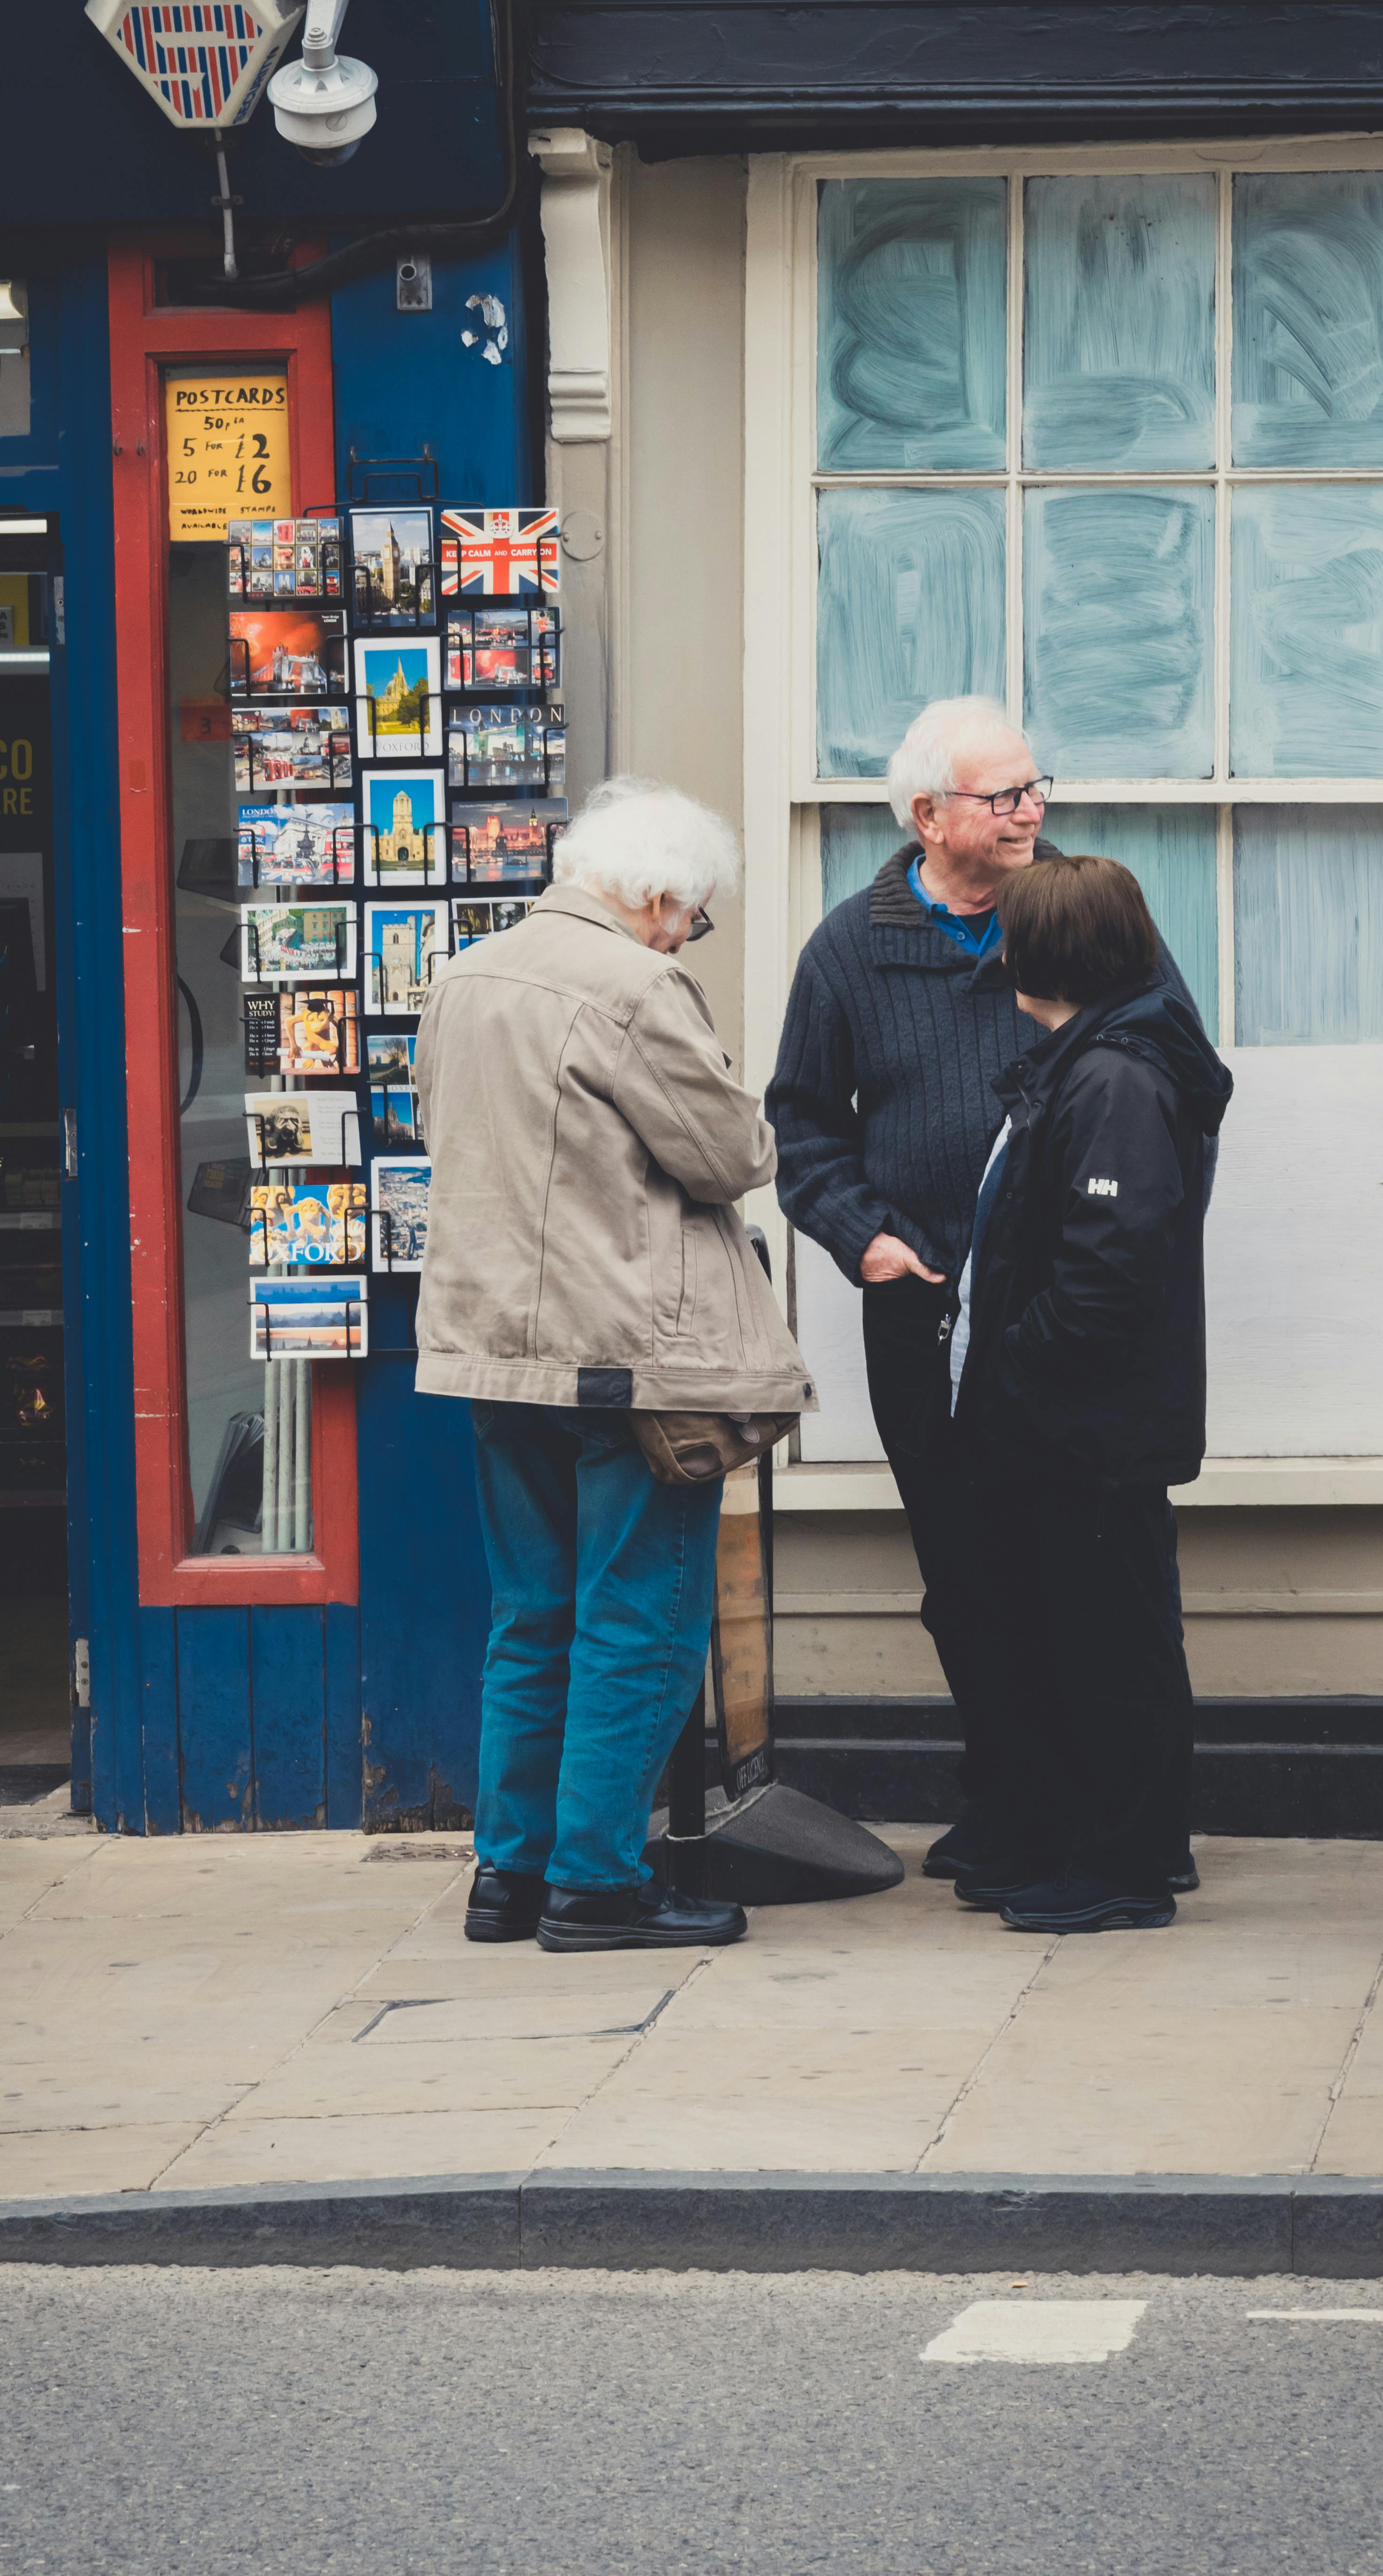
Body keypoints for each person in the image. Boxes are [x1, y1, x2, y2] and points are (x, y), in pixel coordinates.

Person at [415, 778, 815, 1954]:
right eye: (691, 918)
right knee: (638, 1617)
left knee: (530, 1615)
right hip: (623, 1355)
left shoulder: (463, 973)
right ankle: (598, 1881)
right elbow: (731, 1152)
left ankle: (510, 1875)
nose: (688, 937)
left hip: (490, 1348)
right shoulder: (637, 985)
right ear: (653, 897)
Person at [766, 696, 1054, 1878]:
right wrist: (867, 1240)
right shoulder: (849, 946)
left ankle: (1086, 1808)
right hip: (919, 1308)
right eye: (1005, 795)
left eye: (1036, 787)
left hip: (1054, 1308)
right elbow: (797, 1127)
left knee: (1066, 1557)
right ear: (929, 818)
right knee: (961, 1563)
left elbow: (1176, 1067)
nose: (1032, 809)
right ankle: (1003, 1797)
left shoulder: (1075, 915)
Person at [951, 854, 1233, 1933]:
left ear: (1048, 952)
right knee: (1084, 1634)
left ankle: (1121, 1868)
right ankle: (1098, 1844)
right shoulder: (1084, 1061)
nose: (997, 946)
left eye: (1010, 931)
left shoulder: (1114, 1079)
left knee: (1110, 1647)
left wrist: (1018, 1367)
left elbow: (1108, 1270)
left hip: (1088, 1429)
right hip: (1069, 1425)